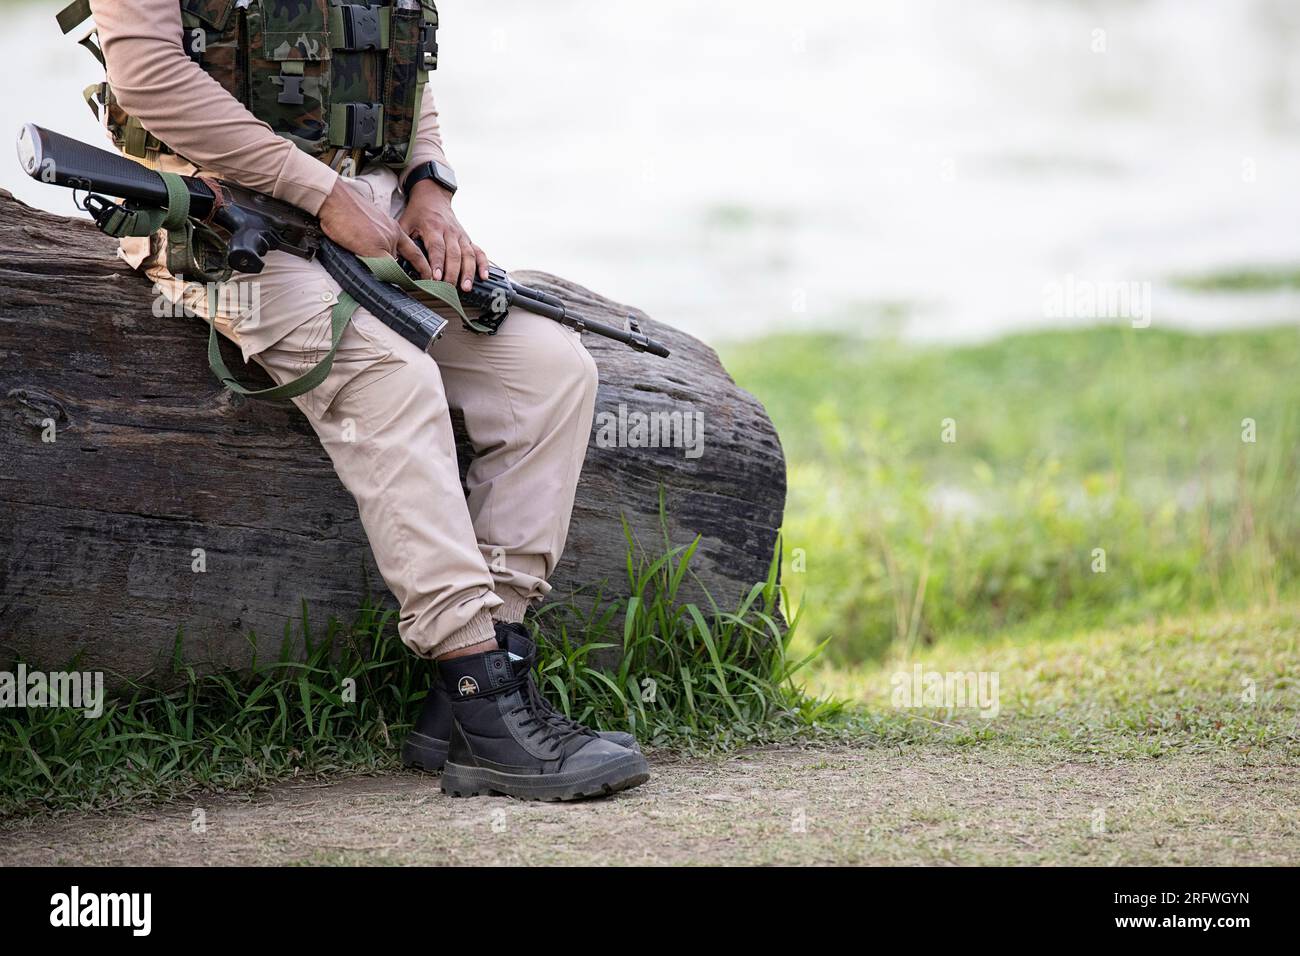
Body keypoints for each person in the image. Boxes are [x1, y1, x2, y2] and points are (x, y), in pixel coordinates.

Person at [78, 0, 649, 800]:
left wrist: (429, 185)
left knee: (549, 372)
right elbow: (149, 78)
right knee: (390, 374)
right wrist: (318, 192)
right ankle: (480, 688)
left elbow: (399, 64)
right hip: (211, 218)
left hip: (369, 213)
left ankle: (478, 691)